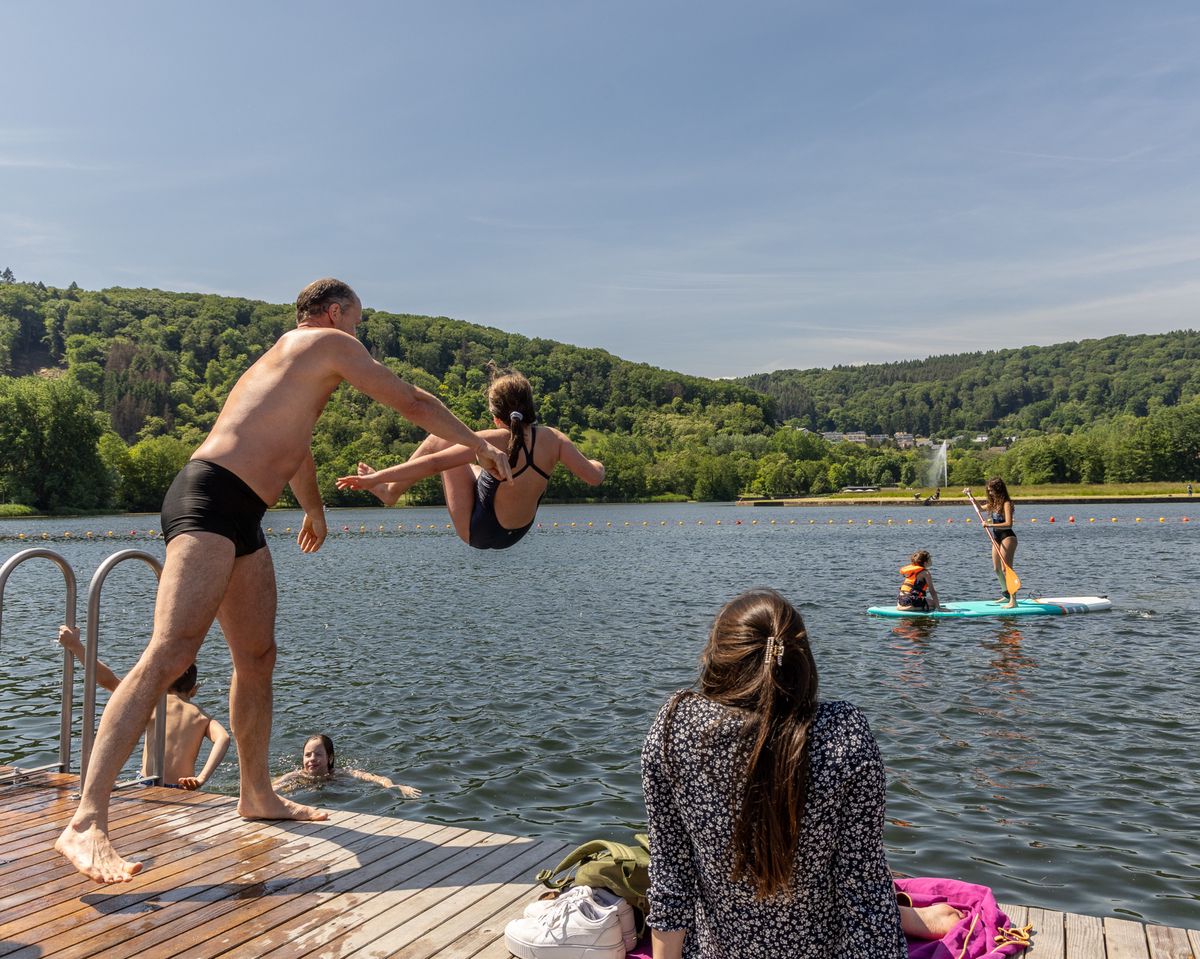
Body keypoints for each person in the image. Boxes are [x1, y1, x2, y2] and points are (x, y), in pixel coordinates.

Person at [55, 277, 513, 883]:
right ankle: (86, 822)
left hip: (243, 512)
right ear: (331, 312)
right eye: (357, 320)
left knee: (258, 655)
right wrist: (478, 445)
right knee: (171, 651)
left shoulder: (292, 365)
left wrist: (316, 510)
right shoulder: (323, 343)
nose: (360, 335)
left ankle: (256, 794)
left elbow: (294, 448)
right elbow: (414, 402)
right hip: (209, 499)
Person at [641, 588, 958, 958]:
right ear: (801, 660)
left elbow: (671, 875)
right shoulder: (843, 732)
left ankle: (910, 916)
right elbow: (863, 883)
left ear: (719, 657)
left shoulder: (674, 726)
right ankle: (910, 917)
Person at [336, 366, 605, 550]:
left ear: (496, 417)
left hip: (477, 530)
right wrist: (598, 464)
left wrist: (375, 478)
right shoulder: (555, 439)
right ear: (530, 408)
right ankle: (390, 488)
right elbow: (594, 477)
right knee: (481, 464)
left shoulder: (490, 439)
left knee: (440, 440)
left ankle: (390, 493)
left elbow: (434, 462)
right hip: (516, 534)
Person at [57, 625, 230, 790]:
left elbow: (108, 681)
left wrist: (76, 646)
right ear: (193, 690)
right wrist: (201, 777)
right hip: (183, 787)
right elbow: (223, 738)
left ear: (162, 683)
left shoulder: (152, 704)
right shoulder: (201, 717)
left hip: (148, 784)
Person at [272, 734, 420, 798]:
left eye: (318, 754)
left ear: (330, 758)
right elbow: (273, 786)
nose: (312, 759)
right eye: (308, 755)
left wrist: (394, 786)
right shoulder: (297, 775)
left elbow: (372, 777)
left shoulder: (339, 773)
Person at [965, 478, 1018, 608]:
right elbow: (979, 508)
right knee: (997, 568)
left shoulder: (1006, 503)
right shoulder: (993, 503)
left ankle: (1013, 600)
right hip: (996, 538)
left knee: (1007, 569)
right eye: (988, 490)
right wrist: (970, 495)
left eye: (991, 490)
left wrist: (989, 524)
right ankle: (1006, 595)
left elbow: (1009, 524)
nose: (989, 492)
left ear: (998, 489)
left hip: (1008, 537)